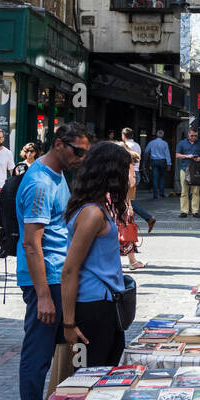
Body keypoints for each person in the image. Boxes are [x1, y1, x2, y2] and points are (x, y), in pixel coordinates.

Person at [16, 121, 91, 400]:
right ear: (59, 144)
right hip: (46, 280)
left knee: (65, 347)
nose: (81, 158)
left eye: (85, 153)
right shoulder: (40, 182)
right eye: (78, 151)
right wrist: (44, 295)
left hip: (60, 276)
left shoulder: (58, 175)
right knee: (39, 353)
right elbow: (33, 243)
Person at [61, 142, 131, 370]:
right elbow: (70, 269)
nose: (128, 178)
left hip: (104, 303)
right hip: (94, 306)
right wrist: (69, 323)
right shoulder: (92, 213)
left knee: (102, 373)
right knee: (88, 376)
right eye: (124, 170)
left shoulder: (94, 207)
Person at [120, 128, 155, 233]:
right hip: (136, 174)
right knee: (128, 200)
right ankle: (127, 224)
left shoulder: (126, 146)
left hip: (129, 175)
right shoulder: (137, 145)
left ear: (123, 135)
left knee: (129, 201)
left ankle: (147, 218)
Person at [176, 128, 200, 218]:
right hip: (184, 169)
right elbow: (177, 155)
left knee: (195, 191)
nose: (194, 137)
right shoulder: (182, 143)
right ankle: (184, 211)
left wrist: (199, 159)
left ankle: (195, 211)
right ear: (188, 134)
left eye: (195, 136)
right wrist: (187, 156)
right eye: (192, 136)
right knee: (184, 191)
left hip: (196, 169)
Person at [144, 129, 171, 200]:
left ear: (157, 135)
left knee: (155, 178)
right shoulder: (165, 143)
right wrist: (169, 164)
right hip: (162, 161)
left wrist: (145, 159)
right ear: (163, 135)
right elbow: (167, 154)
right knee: (162, 177)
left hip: (154, 161)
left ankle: (155, 195)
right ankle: (161, 193)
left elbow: (146, 151)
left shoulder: (151, 142)